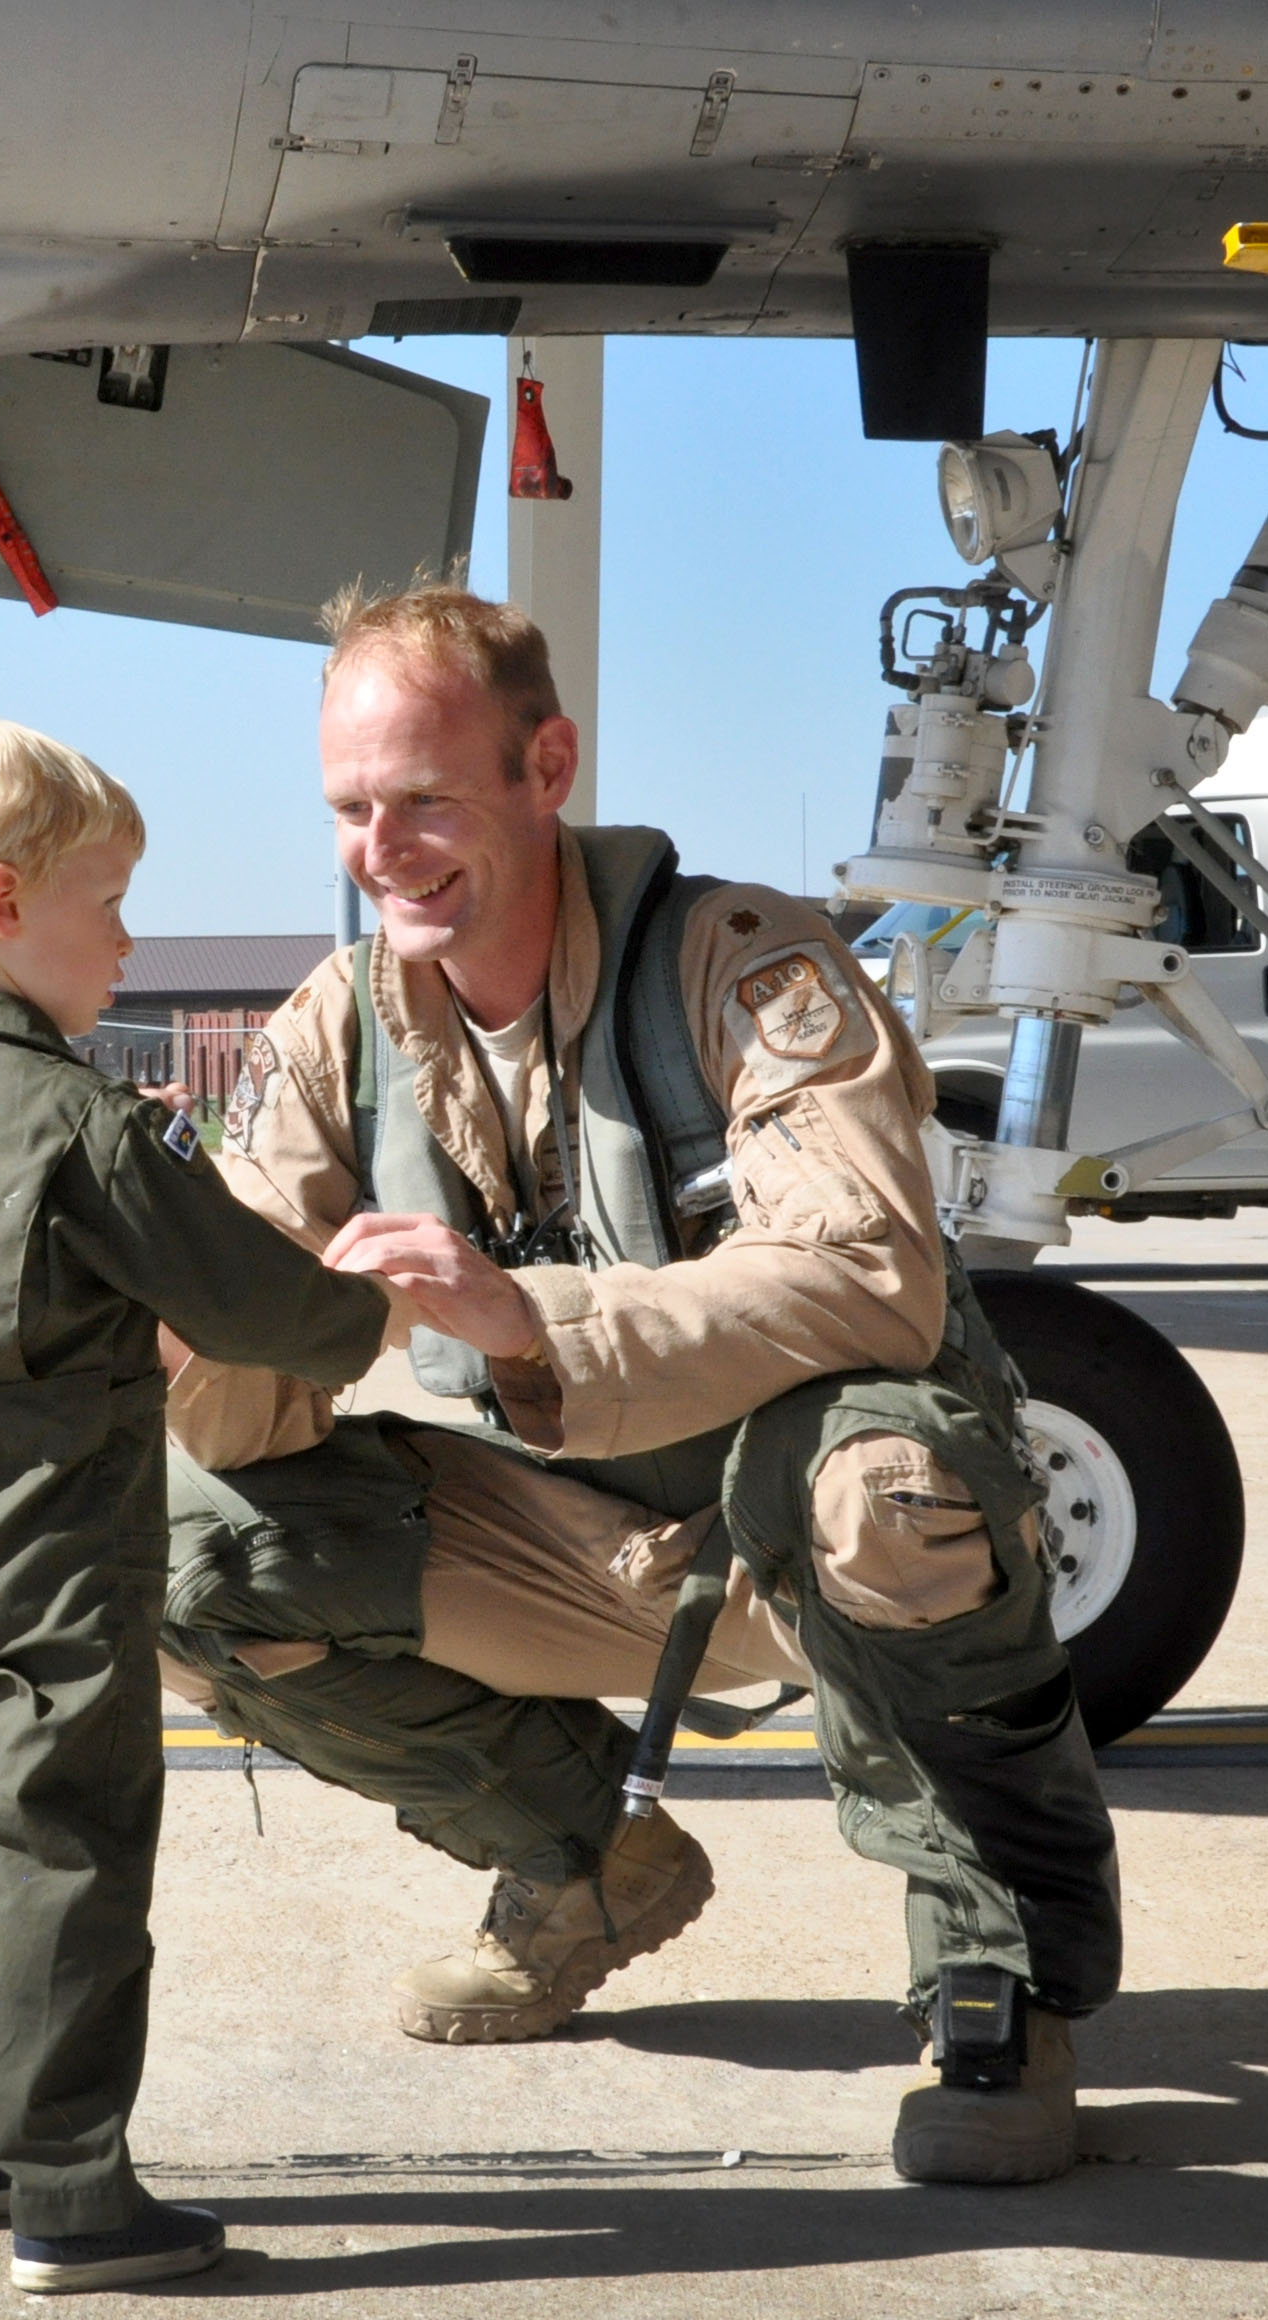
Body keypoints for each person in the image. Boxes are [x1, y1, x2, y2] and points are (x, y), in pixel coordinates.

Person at [159, 581, 1119, 2187]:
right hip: (580, 1540)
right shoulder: (339, 1032)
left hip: (808, 1532)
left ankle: (994, 1974)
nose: (381, 850)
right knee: (168, 1542)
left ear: (548, 767)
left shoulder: (742, 970)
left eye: (425, 801)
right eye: (350, 809)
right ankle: (581, 1860)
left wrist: (522, 1317)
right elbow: (248, 1380)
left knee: (890, 1491)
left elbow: (872, 1275)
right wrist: (178, 1327)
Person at [0, 716, 398, 2293]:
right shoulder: (82, 1125)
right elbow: (249, 1300)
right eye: (108, 904)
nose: (128, 942)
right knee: (62, 1854)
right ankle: (69, 2196)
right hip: (49, 1554)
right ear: (5, 904)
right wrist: (369, 1307)